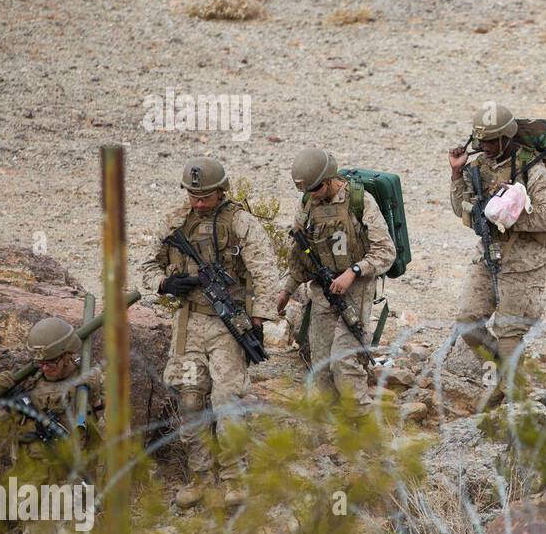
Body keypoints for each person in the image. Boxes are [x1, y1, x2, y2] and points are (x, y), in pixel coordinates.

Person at [141, 157, 280, 508]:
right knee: (190, 398)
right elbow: (147, 265)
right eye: (194, 196)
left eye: (205, 196)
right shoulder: (175, 221)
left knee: (226, 399)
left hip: (228, 324)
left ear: (221, 191)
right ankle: (200, 476)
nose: (199, 203)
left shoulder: (240, 222)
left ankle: (234, 476)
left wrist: (258, 320)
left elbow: (265, 271)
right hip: (189, 323)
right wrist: (165, 283)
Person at [449, 104, 546, 402]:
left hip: (524, 258)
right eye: (481, 141)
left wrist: (508, 215)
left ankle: (513, 398)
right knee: (468, 322)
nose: (484, 147)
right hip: (488, 252)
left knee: (510, 332)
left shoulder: (533, 170)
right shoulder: (478, 167)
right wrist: (456, 173)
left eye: (491, 141)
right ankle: (508, 374)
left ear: (506, 137)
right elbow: (460, 209)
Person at [279, 148, 396, 414]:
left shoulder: (360, 201)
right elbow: (299, 254)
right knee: (321, 366)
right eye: (308, 190)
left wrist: (354, 271)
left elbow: (386, 252)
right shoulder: (307, 205)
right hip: (323, 291)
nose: (313, 194)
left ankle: (363, 423)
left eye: (317, 188)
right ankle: (337, 424)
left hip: (356, 289)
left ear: (330, 179)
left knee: (344, 362)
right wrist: (287, 290)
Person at [0, 317, 104, 534]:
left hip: (75, 485)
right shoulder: (27, 385)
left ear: (67, 355)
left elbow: (112, 437)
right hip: (35, 488)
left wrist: (96, 396)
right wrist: (1, 402)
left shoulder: (89, 385)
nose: (45, 368)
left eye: (51, 362)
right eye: (40, 363)